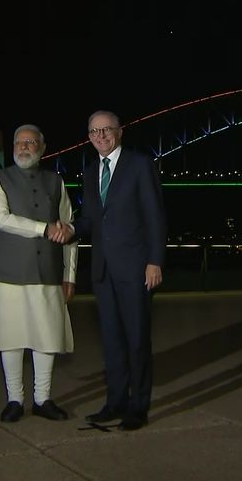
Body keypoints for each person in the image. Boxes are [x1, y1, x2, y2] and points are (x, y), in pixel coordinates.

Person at [70, 110, 167, 430]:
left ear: (120, 131)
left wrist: (155, 261)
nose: (101, 136)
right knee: (111, 341)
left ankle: (138, 407)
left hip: (136, 269)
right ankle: (115, 402)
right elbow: (90, 221)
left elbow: (155, 215)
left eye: (106, 129)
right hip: (103, 271)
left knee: (137, 340)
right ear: (89, 137)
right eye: (94, 131)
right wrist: (69, 228)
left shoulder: (140, 165)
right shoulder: (89, 171)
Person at [0, 124, 77, 423]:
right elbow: (1, 219)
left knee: (47, 337)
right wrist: (43, 228)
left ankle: (43, 398)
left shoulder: (56, 182)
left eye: (31, 142)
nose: (24, 147)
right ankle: (14, 399)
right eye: (19, 142)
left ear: (42, 148)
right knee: (11, 338)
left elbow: (69, 230)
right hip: (8, 273)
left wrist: (70, 274)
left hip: (47, 273)